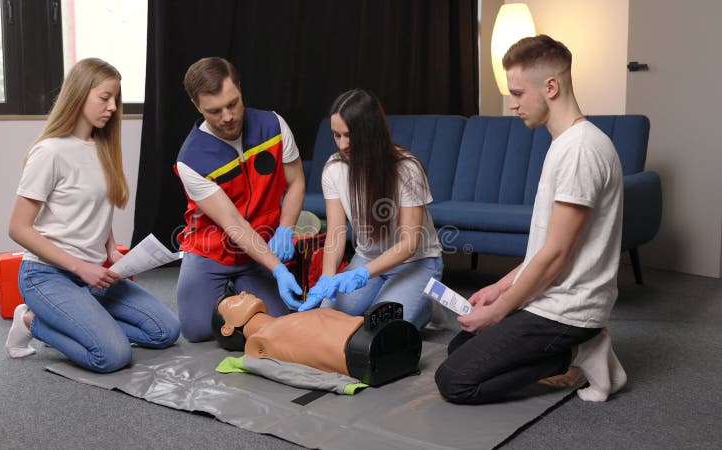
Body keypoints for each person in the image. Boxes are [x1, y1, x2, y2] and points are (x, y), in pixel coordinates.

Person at [435, 35, 627, 404]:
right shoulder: (565, 144)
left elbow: (554, 256)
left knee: (456, 382)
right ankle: (573, 347)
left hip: (568, 309)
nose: (511, 104)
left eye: (518, 93)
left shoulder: (580, 151)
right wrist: (500, 288)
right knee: (459, 348)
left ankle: (577, 352)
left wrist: (498, 313)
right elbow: (545, 248)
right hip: (549, 296)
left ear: (551, 86)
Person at [4, 58, 181, 373]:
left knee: (165, 330)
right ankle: (31, 320)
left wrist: (111, 249)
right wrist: (80, 267)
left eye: (116, 98)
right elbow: (18, 228)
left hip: (94, 273)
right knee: (113, 356)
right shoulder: (50, 152)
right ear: (79, 94)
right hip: (47, 275)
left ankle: (86, 319)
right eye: (104, 97)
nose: (113, 106)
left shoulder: (102, 147)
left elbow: (97, 208)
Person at [175, 57, 306, 342]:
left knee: (282, 325)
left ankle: (244, 288)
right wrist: (279, 270)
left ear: (240, 90)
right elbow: (234, 223)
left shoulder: (274, 126)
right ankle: (230, 290)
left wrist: (286, 228)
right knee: (197, 330)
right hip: (212, 251)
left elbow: (296, 182)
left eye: (233, 104)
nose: (227, 117)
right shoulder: (191, 160)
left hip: (264, 245)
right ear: (197, 107)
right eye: (214, 110)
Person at [299, 89, 443, 330]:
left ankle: (426, 303)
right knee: (326, 322)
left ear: (370, 133)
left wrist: (362, 275)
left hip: (416, 262)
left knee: (381, 329)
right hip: (367, 257)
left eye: (349, 135)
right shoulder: (334, 169)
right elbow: (336, 233)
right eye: (336, 135)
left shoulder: (406, 169)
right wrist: (327, 277)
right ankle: (390, 297)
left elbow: (409, 244)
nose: (342, 144)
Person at [212, 291, 421, 386]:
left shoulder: (280, 324)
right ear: (228, 329)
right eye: (233, 302)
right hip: (362, 351)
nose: (243, 292)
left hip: (370, 332)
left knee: (325, 314)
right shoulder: (258, 343)